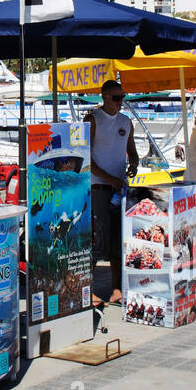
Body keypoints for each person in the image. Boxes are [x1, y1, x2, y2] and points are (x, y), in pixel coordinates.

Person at [87, 80, 138, 306]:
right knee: (97, 240)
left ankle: (117, 289)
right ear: (105, 98)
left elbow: (132, 151)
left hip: (119, 188)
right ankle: (88, 290)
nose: (121, 102)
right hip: (99, 187)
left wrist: (134, 163)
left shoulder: (126, 122)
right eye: (117, 98)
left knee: (118, 240)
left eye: (123, 97)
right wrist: (109, 179)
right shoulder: (92, 120)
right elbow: (85, 158)